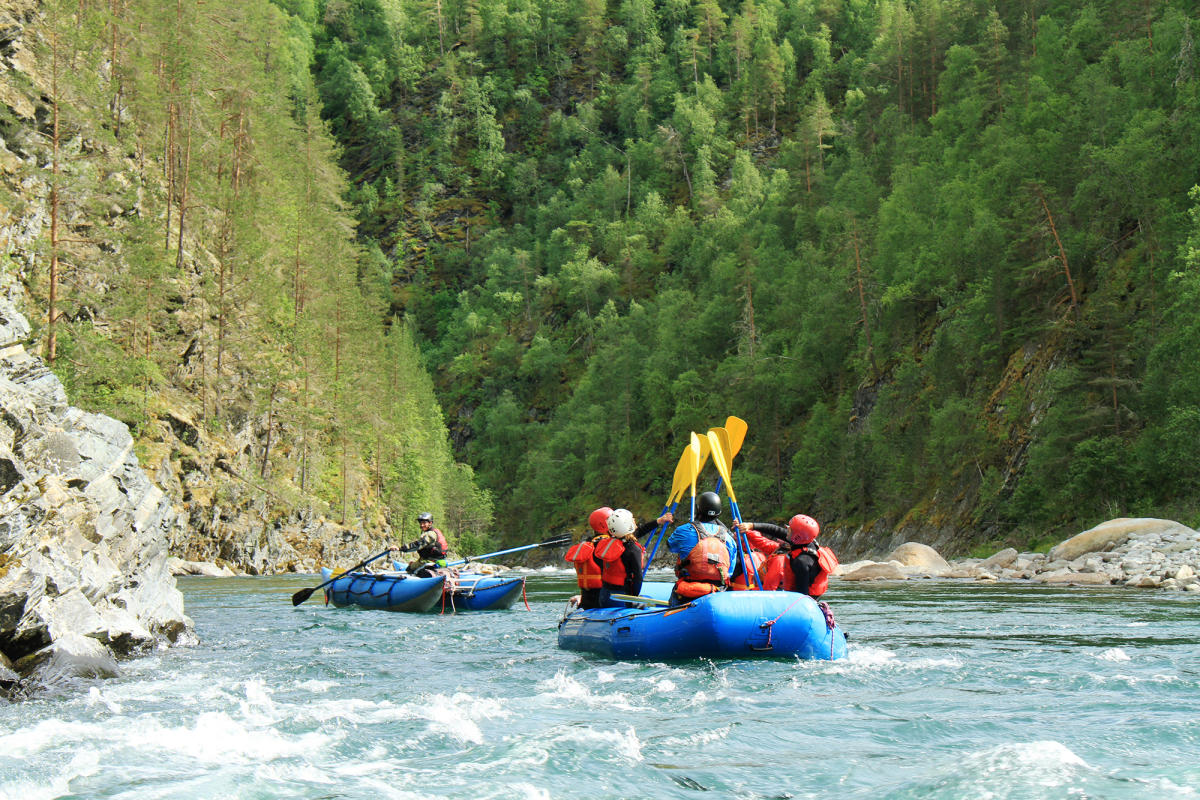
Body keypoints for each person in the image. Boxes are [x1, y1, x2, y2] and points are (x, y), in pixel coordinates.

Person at [736, 514, 838, 598]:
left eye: (790, 530)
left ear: (796, 537)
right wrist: (751, 526)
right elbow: (775, 530)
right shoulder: (804, 541)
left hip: (807, 596)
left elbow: (802, 595)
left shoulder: (802, 562)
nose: (786, 530)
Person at [667, 491, 740, 604]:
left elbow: (671, 546)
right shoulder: (729, 538)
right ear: (718, 513)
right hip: (717, 591)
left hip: (689, 590)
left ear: (698, 509)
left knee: (675, 593)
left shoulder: (684, 530)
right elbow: (730, 570)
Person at [593, 508, 673, 605]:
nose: (634, 520)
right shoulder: (633, 550)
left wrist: (658, 521)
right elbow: (638, 578)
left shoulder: (605, 544)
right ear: (627, 525)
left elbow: (637, 532)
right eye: (632, 520)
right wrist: (634, 599)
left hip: (604, 596)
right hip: (621, 598)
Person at [565, 507, 611, 609]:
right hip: (601, 603)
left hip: (586, 602)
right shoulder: (606, 548)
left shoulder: (587, 546)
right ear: (605, 525)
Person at [398, 512, 449, 577]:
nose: (422, 525)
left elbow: (417, 545)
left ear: (430, 523)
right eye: (421, 523)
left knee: (409, 569)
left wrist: (400, 548)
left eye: (424, 523)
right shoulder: (435, 531)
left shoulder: (430, 534)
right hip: (438, 560)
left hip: (429, 561)